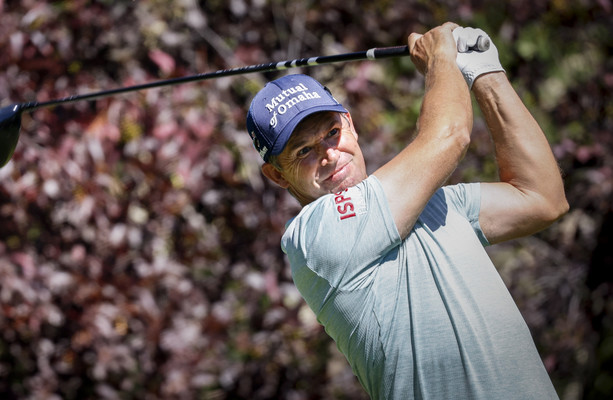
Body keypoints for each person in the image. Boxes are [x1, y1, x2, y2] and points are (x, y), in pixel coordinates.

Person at [245, 22, 568, 399]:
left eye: (332, 133)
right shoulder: (314, 237)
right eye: (303, 152)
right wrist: (440, 58)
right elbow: (449, 135)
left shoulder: (433, 203)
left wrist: (484, 72)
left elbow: (542, 198)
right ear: (276, 175)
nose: (329, 155)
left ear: (349, 123)